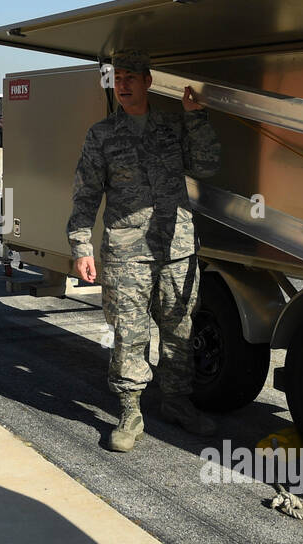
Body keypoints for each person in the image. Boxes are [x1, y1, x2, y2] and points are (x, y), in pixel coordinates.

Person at [66, 49, 222, 451]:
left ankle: (176, 402)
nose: (123, 84)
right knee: (130, 333)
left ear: (148, 82)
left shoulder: (172, 127)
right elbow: (85, 195)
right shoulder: (101, 134)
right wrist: (82, 246)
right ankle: (130, 410)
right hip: (127, 251)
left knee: (179, 329)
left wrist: (196, 117)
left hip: (176, 246)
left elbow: (206, 166)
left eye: (131, 77)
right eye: (118, 77)